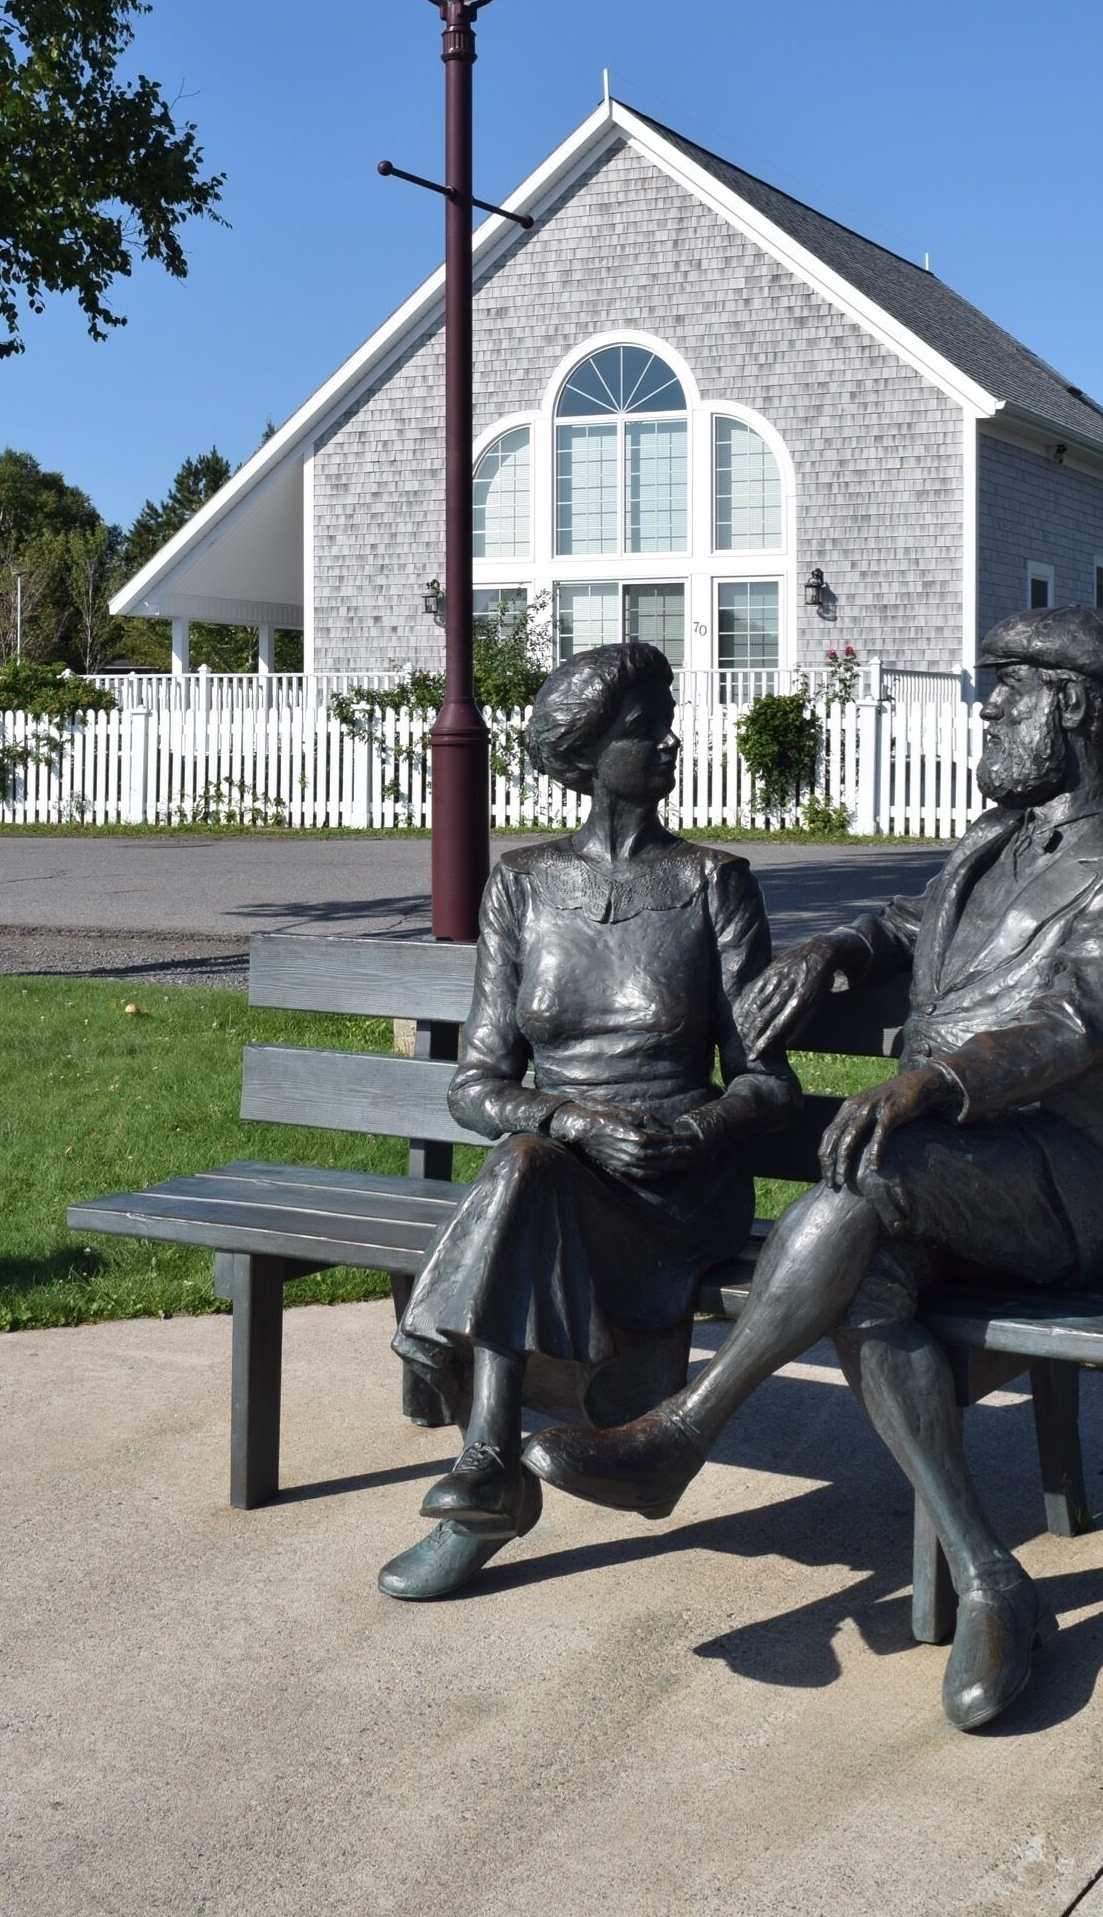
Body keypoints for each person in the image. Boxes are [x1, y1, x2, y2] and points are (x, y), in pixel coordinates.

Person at [524, 606, 1103, 1730]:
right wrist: (832, 948)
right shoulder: (990, 841)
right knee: (860, 1268)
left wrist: (932, 1084)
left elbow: (1078, 1018)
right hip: (936, 1179)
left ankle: (681, 1437)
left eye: (1010, 696)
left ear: (1075, 709)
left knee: (860, 1187)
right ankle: (991, 1578)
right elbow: (905, 922)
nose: (990, 713)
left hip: (1057, 1182)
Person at [379, 639, 798, 1602]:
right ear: (588, 751)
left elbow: (768, 1083)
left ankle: (486, 1473)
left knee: (523, 1172)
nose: (670, 743)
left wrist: (692, 1133)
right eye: (646, 728)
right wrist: (574, 1122)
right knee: (527, 1162)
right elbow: (476, 1085)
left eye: (668, 724)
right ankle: (490, 1469)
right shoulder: (523, 886)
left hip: (678, 1185)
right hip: (561, 1174)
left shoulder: (713, 883)